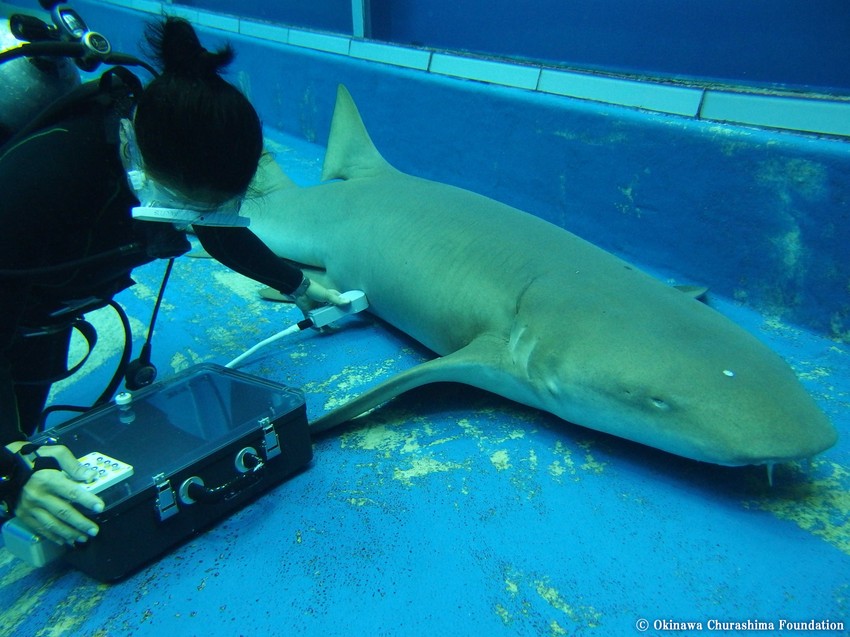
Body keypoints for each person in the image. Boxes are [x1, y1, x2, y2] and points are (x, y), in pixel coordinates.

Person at [0, 17, 345, 546]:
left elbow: (214, 227)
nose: (201, 218)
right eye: (190, 207)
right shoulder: (39, 185)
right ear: (147, 162)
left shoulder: (179, 144)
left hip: (52, 306)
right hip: (15, 304)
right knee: (26, 465)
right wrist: (12, 473)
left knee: (35, 435)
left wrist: (297, 286)